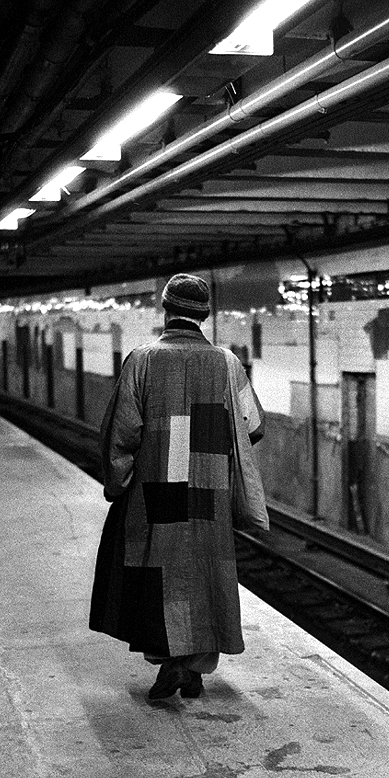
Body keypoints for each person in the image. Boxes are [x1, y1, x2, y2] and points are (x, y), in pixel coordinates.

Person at [89, 273, 268, 700]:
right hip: (208, 493)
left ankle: (169, 663)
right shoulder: (227, 363)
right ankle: (196, 670)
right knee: (206, 570)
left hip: (155, 492)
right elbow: (254, 424)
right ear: (203, 316)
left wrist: (119, 483)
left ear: (166, 310)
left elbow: (121, 433)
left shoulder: (143, 360)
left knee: (162, 572)